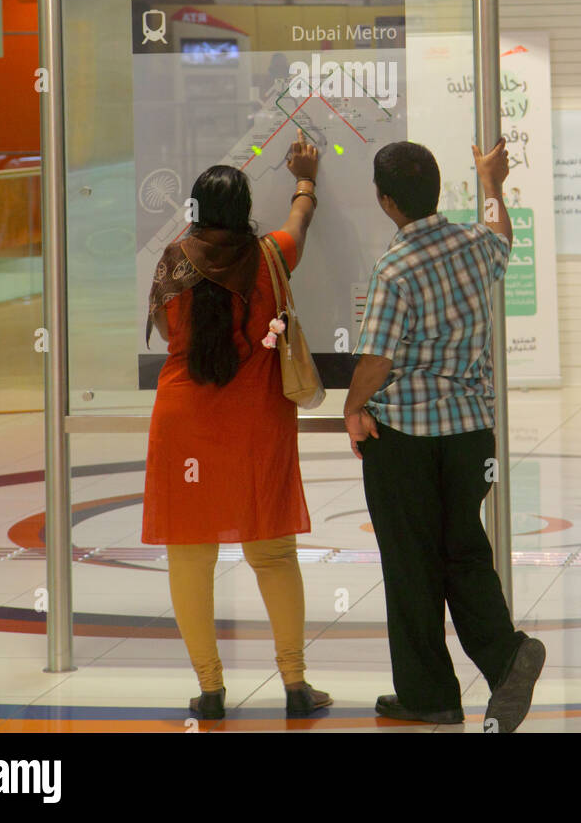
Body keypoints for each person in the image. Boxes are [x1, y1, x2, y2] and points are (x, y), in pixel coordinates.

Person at [343, 138, 545, 731]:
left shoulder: (395, 269)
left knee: (411, 563)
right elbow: (504, 238)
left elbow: (376, 360)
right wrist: (491, 185)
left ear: (385, 202)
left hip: (405, 437)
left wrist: (352, 407)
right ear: (435, 191)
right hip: (471, 434)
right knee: (463, 549)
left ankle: (430, 694)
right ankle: (506, 655)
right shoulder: (475, 244)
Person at [142, 131, 331, 720]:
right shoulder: (272, 254)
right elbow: (299, 223)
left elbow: (172, 335)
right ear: (245, 212)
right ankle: (296, 686)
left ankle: (210, 690)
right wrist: (305, 180)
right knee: (272, 554)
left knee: (190, 558)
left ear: (194, 210)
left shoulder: (173, 259)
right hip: (256, 421)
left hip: (183, 421)